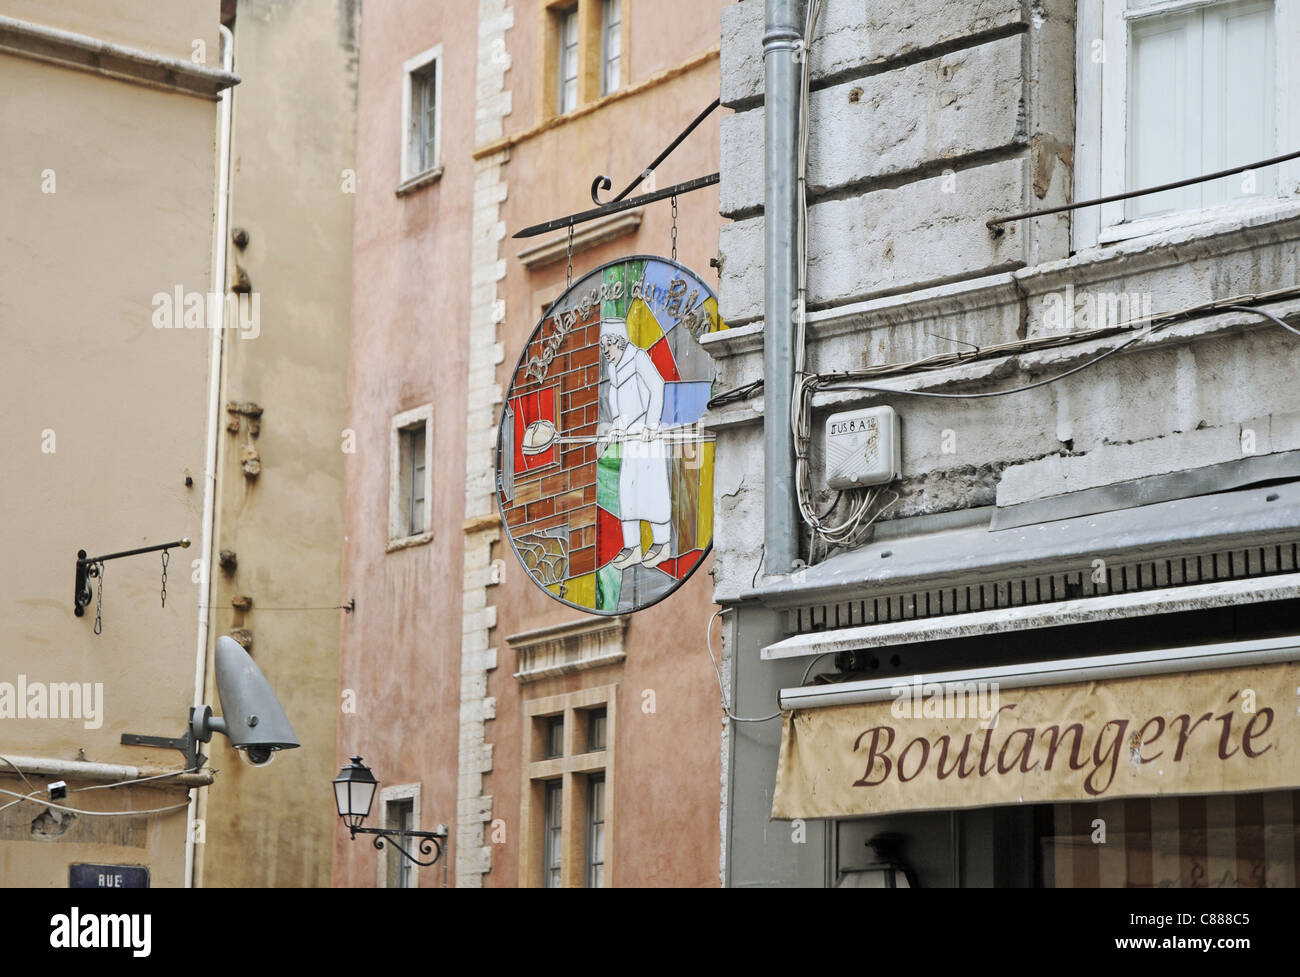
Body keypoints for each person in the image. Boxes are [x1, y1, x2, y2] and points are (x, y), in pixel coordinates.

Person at [599, 324, 671, 570]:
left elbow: (657, 386)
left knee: (653, 491)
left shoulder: (638, 357)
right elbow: (617, 403)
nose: (605, 350)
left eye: (608, 343)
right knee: (628, 493)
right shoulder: (613, 368)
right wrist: (616, 429)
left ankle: (662, 544)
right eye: (602, 345)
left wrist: (652, 424)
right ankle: (632, 548)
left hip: (647, 437)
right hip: (630, 440)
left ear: (619, 342)